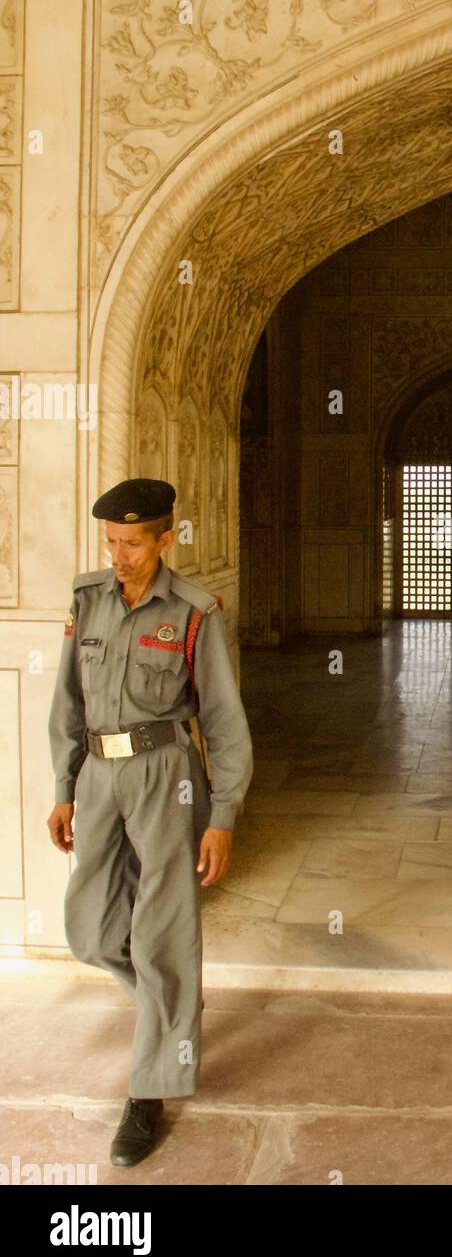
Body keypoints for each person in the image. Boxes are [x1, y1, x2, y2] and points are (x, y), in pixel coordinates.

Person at [47, 478, 253, 1167]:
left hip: (168, 775)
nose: (120, 555)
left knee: (163, 929)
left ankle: (150, 1089)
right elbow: (67, 703)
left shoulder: (193, 613)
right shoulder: (88, 601)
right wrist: (64, 786)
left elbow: (223, 721)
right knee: (90, 930)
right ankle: (172, 1011)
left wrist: (222, 816)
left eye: (133, 542)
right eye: (112, 541)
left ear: (167, 538)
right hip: (99, 777)